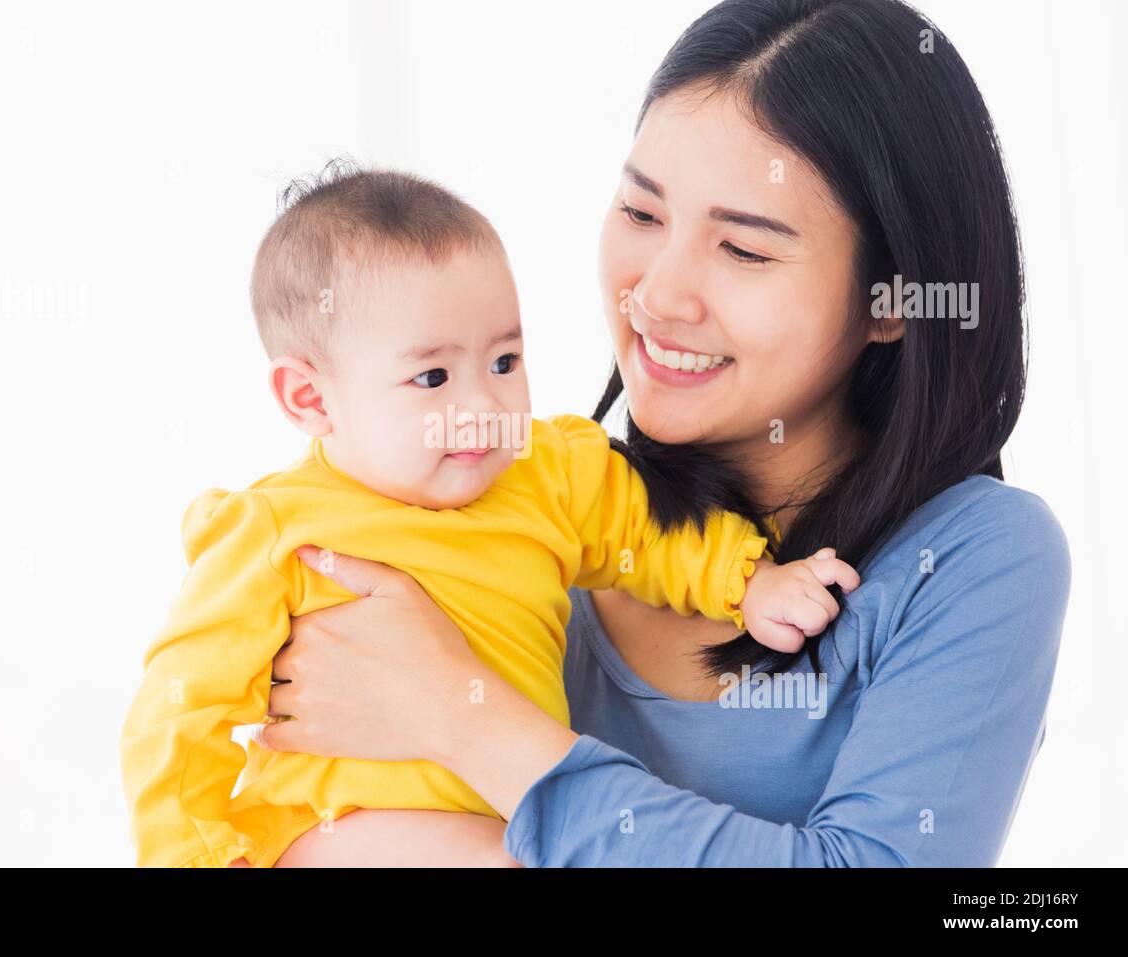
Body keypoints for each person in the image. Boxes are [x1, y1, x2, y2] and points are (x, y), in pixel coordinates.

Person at [259, 0, 1072, 867]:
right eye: (643, 215)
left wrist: (464, 717)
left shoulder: (972, 559)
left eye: (745, 251)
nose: (655, 296)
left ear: (893, 302)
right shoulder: (513, 497)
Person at [117, 162, 857, 867]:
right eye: (432, 376)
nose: (483, 405)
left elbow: (649, 529)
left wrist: (750, 581)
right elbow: (178, 712)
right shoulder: (276, 532)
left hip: (510, 808)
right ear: (311, 399)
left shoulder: (549, 470)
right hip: (336, 829)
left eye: (505, 360)